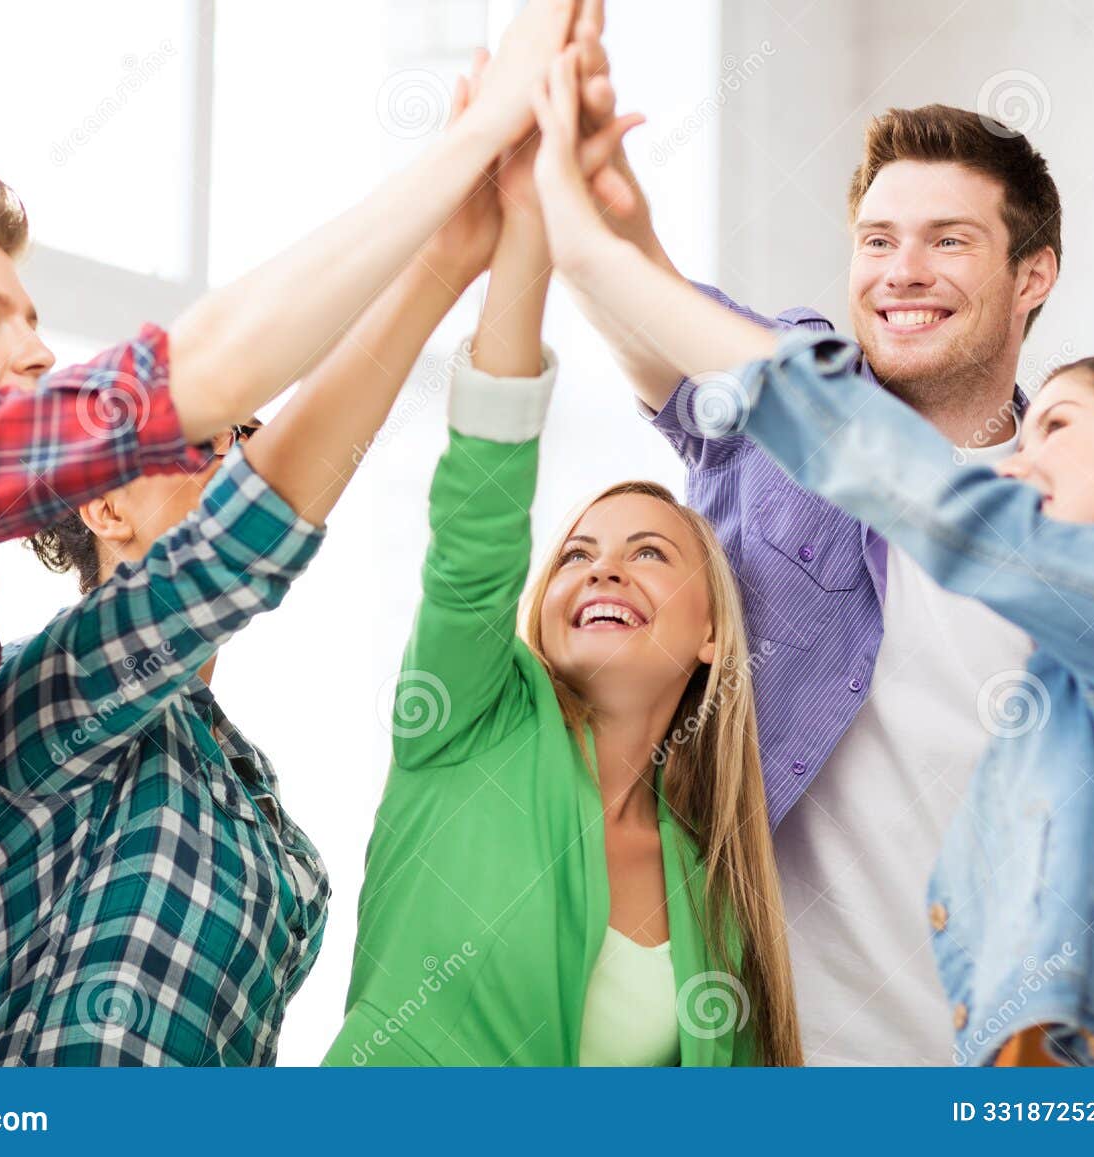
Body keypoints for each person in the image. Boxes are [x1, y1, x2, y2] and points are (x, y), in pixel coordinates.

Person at [0, 0, 577, 1066]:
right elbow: (201, 421)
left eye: (31, 318)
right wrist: (467, 146)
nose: (36, 350)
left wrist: (444, 265)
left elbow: (238, 531)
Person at [560, 0, 1094, 1066]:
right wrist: (608, 236)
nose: (901, 270)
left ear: (1033, 275)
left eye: (948, 240)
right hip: (779, 1057)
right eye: (877, 240)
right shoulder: (790, 428)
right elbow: (664, 339)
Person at [323, 93, 801, 1068]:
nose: (602, 568)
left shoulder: (713, 890)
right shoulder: (464, 716)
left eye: (649, 551)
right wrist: (532, 229)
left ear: (714, 634)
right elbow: (478, 520)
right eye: (577, 552)